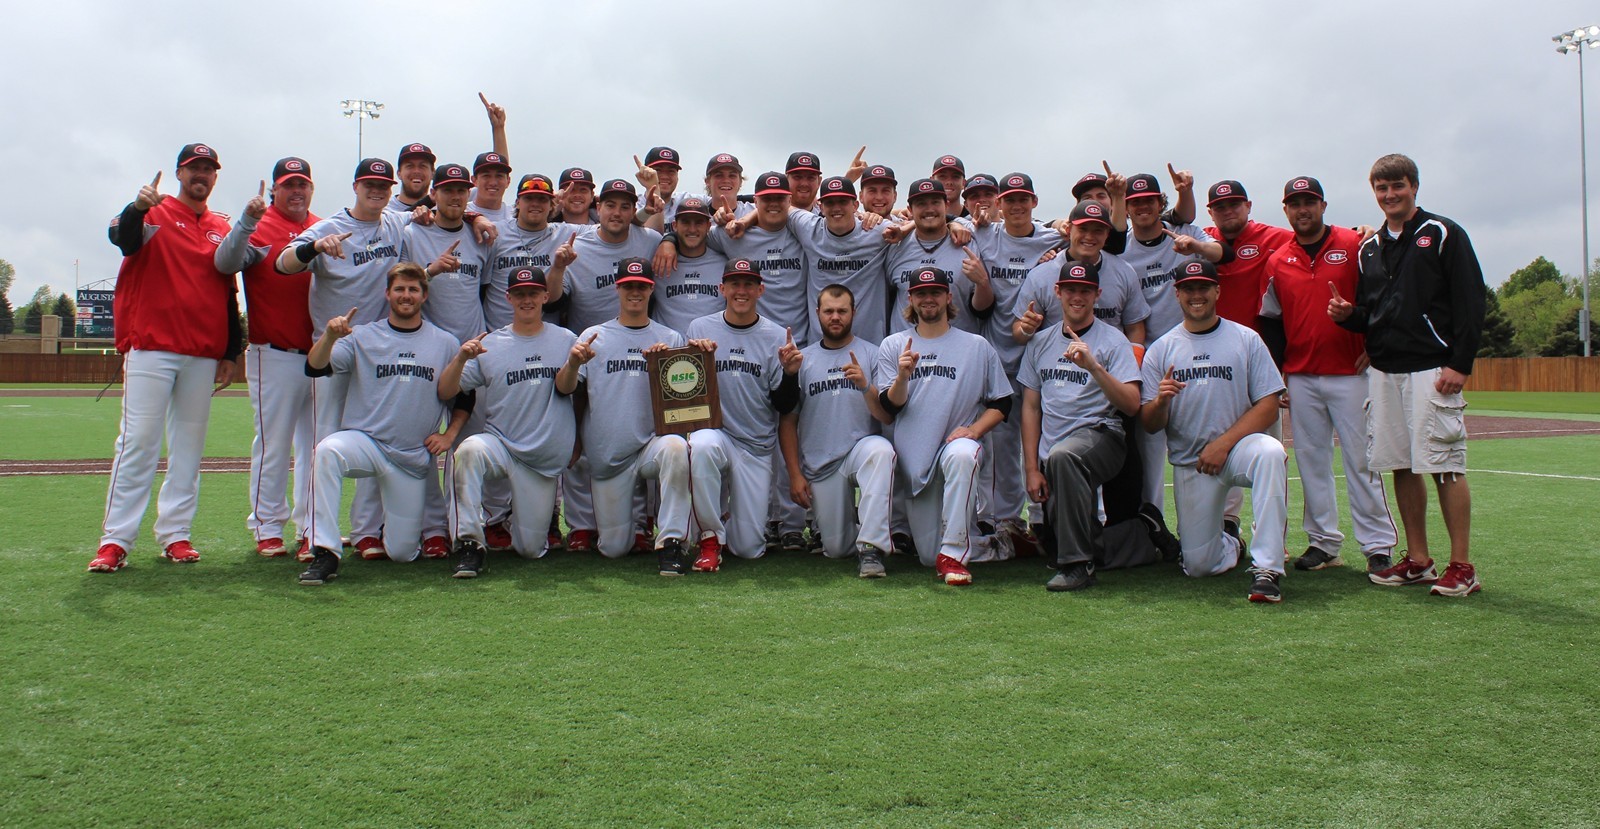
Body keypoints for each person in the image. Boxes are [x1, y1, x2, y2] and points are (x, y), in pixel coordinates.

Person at [1329, 153, 1486, 597]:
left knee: (1446, 465)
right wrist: (1349, 317)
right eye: (1381, 188)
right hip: (1384, 370)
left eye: (1397, 185)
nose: (1390, 194)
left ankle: (1462, 565)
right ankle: (1418, 560)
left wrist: (1460, 363)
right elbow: (1376, 312)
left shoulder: (1442, 233)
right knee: (1400, 464)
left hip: (1433, 368)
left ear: (1413, 186)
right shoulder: (1370, 248)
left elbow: (1472, 301)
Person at [89, 143, 242, 573]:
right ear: (179, 172)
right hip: (152, 346)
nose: (202, 175)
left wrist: (231, 349)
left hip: (201, 353)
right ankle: (115, 540)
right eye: (195, 168)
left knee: (189, 450)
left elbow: (228, 292)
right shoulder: (152, 212)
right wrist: (137, 207)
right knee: (138, 443)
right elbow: (121, 238)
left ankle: (176, 534)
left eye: (209, 169)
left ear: (216, 177)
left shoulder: (221, 226)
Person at [1259, 176, 1399, 574]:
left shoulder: (1356, 245)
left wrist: (1373, 344)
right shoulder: (1278, 258)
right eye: (1294, 203)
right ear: (1286, 209)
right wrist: (1279, 371)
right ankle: (1323, 543)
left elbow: (1384, 298)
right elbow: (1271, 318)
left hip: (1351, 372)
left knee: (1362, 460)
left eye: (1310, 202)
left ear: (1323, 205)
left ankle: (1377, 545)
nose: (1302, 209)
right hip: (1301, 375)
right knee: (1312, 462)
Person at [297, 263, 463, 585]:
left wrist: (450, 434)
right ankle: (325, 551)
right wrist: (330, 336)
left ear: (424, 296)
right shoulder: (362, 336)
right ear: (387, 293)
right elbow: (314, 367)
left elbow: (462, 397)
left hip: (411, 455)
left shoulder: (444, 342)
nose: (406, 295)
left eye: (413, 289)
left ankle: (393, 532)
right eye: (399, 289)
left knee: (402, 553)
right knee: (327, 452)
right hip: (367, 443)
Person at [1139, 259, 1289, 603]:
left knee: (1271, 454)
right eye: (1188, 289)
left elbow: (1268, 405)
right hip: (1193, 462)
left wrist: (1223, 444)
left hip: (1236, 450)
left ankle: (1268, 567)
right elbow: (1149, 424)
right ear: (1177, 294)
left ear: (1217, 291)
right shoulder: (1162, 349)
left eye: (1203, 287)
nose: (1196, 295)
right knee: (1198, 566)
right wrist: (1161, 401)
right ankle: (1231, 540)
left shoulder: (1245, 338)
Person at [876, 267, 1011, 586]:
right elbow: (889, 408)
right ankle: (990, 544)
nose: (928, 299)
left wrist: (974, 431)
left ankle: (954, 555)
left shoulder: (976, 346)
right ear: (910, 299)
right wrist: (902, 378)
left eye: (935, 292)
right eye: (921, 293)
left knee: (964, 454)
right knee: (925, 556)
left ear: (948, 297)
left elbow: (1002, 403)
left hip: (956, 447)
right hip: (916, 462)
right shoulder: (894, 346)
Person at [437, 266, 576, 576]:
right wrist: (460, 358)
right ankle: (469, 543)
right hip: (500, 445)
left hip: (539, 458)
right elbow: (447, 389)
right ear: (508, 297)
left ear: (545, 296)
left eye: (532, 294)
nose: (526, 300)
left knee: (529, 550)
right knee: (469, 450)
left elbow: (570, 389)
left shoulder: (566, 339)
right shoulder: (492, 344)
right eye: (519, 294)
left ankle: (518, 515)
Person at [214, 156, 320, 560]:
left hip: (319, 354)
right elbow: (224, 263)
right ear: (275, 189)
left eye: (302, 184)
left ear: (311, 188)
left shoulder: (321, 225)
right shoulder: (259, 225)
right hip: (273, 351)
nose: (296, 191)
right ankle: (267, 527)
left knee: (316, 447)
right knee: (273, 444)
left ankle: (311, 525)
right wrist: (245, 221)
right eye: (288, 185)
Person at [1018, 260, 1146, 591]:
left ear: (1097, 295)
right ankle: (1144, 535)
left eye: (1085, 291)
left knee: (1065, 457)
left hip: (1103, 436)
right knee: (1054, 543)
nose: (1078, 297)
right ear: (1057, 292)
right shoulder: (1040, 342)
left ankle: (1078, 566)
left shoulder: (1113, 340)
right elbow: (1031, 407)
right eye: (1071, 290)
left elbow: (1131, 404)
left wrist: (1094, 367)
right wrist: (1032, 468)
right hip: (1054, 451)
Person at [563, 258, 698, 571]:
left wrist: (669, 363)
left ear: (651, 289)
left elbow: (683, 399)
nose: (635, 292)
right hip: (610, 452)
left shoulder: (669, 338)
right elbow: (570, 390)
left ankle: (671, 542)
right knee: (613, 548)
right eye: (629, 286)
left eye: (642, 286)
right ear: (618, 288)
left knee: (677, 448)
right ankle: (634, 527)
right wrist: (571, 364)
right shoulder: (593, 336)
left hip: (652, 445)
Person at [553, 178, 664, 552]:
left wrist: (667, 240)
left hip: (643, 337)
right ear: (598, 208)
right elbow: (553, 296)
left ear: (634, 211)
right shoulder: (577, 242)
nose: (617, 212)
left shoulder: (646, 239)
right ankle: (582, 524)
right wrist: (557, 267)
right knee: (585, 433)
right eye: (610, 205)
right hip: (590, 343)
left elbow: (667, 233)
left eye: (625, 206)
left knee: (641, 422)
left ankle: (647, 522)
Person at [686, 259, 802, 569]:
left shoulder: (776, 335)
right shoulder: (700, 328)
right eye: (735, 284)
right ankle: (709, 537)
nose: (742, 290)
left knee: (748, 548)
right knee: (701, 445)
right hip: (717, 433)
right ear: (721, 289)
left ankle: (729, 521)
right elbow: (687, 393)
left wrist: (790, 374)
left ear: (760, 290)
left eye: (749, 284)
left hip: (755, 444)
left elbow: (783, 405)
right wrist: (694, 357)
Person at [780, 284, 895, 577]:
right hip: (822, 464)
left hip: (860, 450)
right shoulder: (802, 360)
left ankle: (871, 547)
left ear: (853, 313)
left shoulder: (872, 353)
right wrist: (795, 474)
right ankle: (852, 527)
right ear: (817, 313)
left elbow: (886, 416)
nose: (835, 317)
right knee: (837, 549)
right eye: (829, 311)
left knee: (881, 451)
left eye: (842, 311)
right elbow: (788, 421)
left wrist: (865, 386)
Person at [778, 176, 891, 343]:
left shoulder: (877, 231)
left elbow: (915, 224)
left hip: (869, 347)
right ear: (821, 206)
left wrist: (902, 228)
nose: (836, 208)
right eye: (830, 203)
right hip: (820, 346)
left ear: (855, 205)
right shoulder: (808, 227)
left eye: (843, 202)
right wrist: (745, 220)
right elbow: (779, 206)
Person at [650, 196, 728, 334]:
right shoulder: (659, 261)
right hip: (667, 349)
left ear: (709, 226)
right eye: (685, 222)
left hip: (713, 350)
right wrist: (667, 240)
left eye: (699, 223)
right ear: (674, 225)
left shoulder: (724, 264)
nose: (692, 229)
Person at [389, 143, 436, 213]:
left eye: (422, 166)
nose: (416, 171)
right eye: (409, 166)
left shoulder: (441, 212)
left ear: (433, 174)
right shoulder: (383, 209)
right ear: (399, 173)